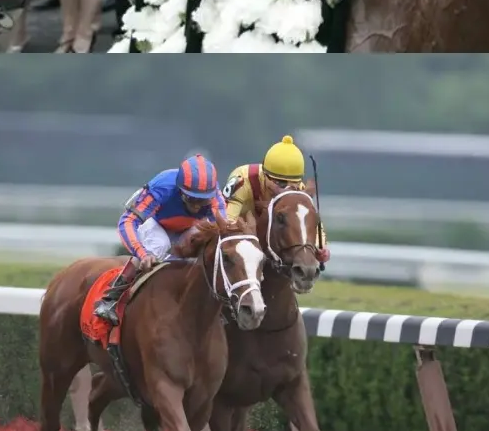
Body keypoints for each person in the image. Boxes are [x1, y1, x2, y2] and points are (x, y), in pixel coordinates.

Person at [93, 153, 228, 323]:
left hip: (188, 228)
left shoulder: (215, 196)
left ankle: (215, 304)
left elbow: (224, 233)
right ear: (179, 189)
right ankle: (112, 299)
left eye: (202, 201)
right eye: (191, 198)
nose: (195, 206)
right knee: (159, 244)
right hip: (156, 224)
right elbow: (127, 222)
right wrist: (142, 253)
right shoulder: (162, 186)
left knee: (209, 245)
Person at [223, 133, 330, 264]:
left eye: (292, 184)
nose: (285, 190)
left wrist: (321, 246)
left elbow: (311, 220)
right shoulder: (243, 180)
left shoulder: (299, 190)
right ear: (264, 174)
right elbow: (227, 221)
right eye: (280, 183)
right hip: (242, 237)